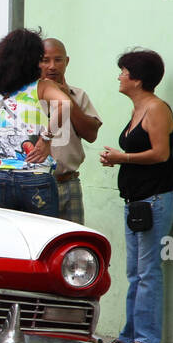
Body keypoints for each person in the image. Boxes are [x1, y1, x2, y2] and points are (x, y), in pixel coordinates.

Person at [98, 48, 173, 343]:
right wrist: (117, 160)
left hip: (155, 199)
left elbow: (161, 153)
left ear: (137, 78)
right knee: (134, 271)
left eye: (124, 72)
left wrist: (123, 157)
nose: (119, 76)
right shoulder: (138, 109)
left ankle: (146, 337)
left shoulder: (156, 109)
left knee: (148, 271)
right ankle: (130, 331)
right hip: (136, 201)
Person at [0, 28, 70, 216]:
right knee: (42, 238)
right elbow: (64, 104)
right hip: (35, 175)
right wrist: (46, 139)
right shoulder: (41, 87)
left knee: (3, 241)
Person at [41, 37, 102, 223]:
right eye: (45, 60)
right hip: (36, 184)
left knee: (72, 245)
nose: (52, 66)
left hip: (69, 182)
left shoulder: (78, 95)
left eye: (58, 60)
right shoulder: (26, 97)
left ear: (66, 62)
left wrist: (67, 99)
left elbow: (91, 135)